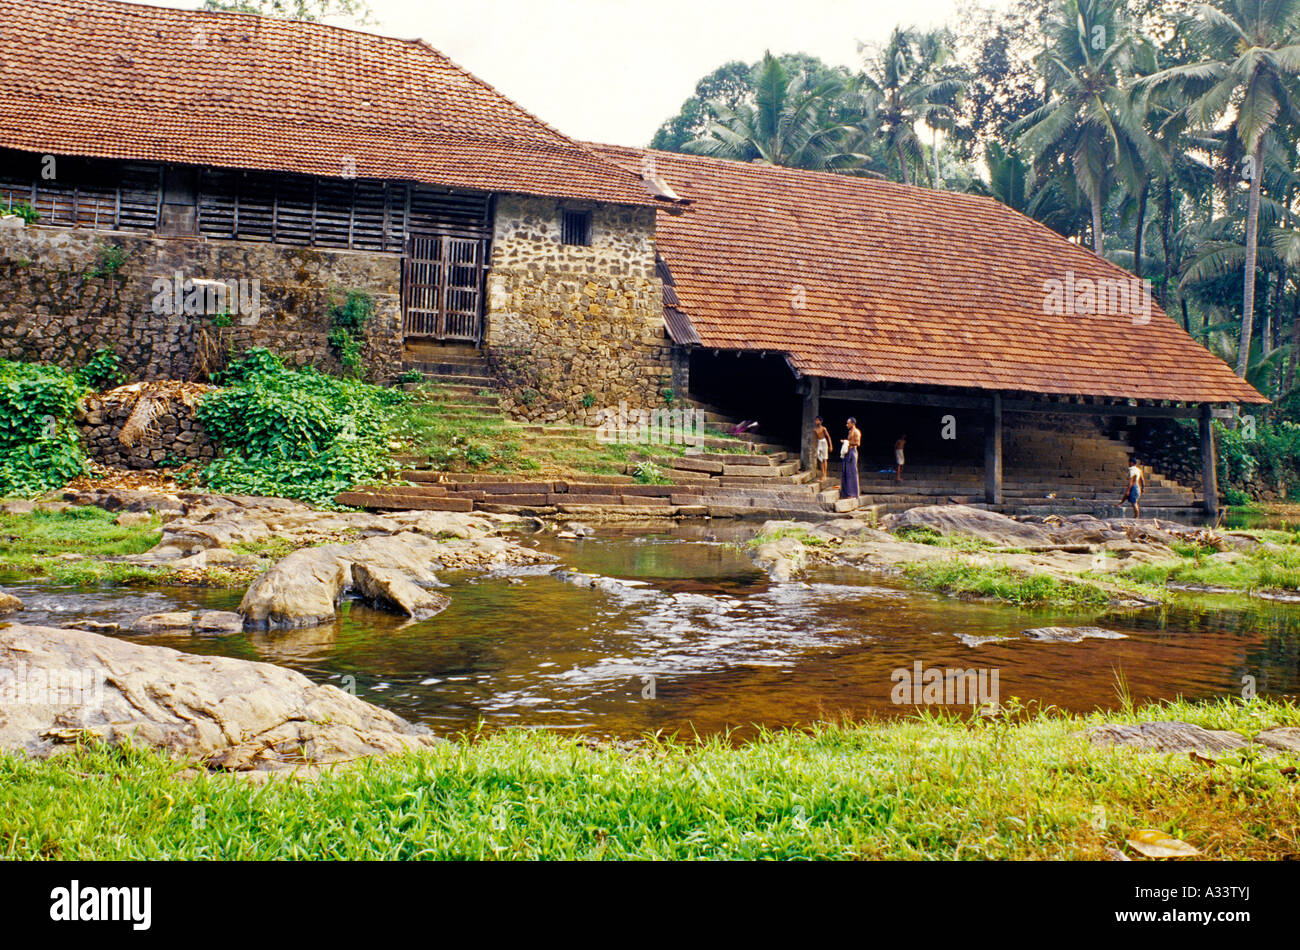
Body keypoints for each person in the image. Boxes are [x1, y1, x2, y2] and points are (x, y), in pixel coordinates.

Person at [841, 417, 861, 499]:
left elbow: (857, 443)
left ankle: (853, 493)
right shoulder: (850, 431)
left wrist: (846, 442)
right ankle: (846, 492)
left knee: (852, 472)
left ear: (853, 423)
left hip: (852, 452)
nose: (847, 425)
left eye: (848, 423)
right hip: (848, 452)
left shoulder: (856, 432)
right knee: (846, 472)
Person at [812, 416, 831, 481]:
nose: (816, 422)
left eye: (818, 420)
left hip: (824, 442)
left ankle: (824, 475)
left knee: (825, 459)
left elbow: (828, 437)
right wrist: (815, 448)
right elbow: (815, 439)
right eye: (816, 420)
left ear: (821, 421)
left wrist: (830, 445)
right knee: (820, 459)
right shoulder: (815, 430)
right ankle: (822, 474)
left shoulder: (823, 429)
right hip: (819, 442)